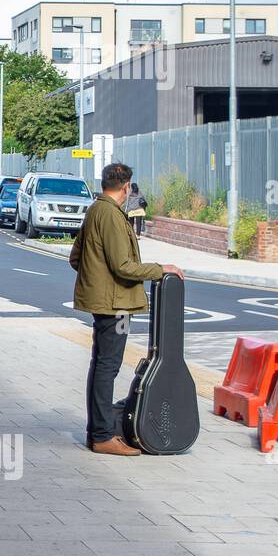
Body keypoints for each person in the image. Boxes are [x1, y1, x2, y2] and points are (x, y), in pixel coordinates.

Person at [70, 162, 182, 456]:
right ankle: (103, 436)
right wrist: (160, 269)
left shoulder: (95, 209)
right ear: (126, 187)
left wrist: (95, 276)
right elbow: (123, 266)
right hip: (115, 304)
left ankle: (98, 432)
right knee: (108, 367)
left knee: (101, 366)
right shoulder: (110, 214)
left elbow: (76, 257)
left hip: (105, 301)